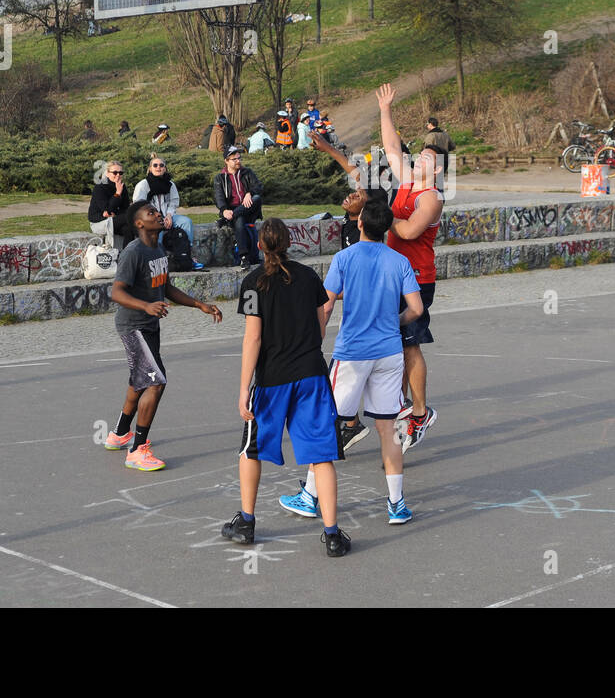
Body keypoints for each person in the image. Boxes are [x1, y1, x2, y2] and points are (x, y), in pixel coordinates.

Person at [279, 199, 424, 526]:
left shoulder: (343, 258)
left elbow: (326, 306)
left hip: (353, 353)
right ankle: (397, 504)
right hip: (389, 352)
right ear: (387, 229)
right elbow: (415, 309)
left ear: (359, 223)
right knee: (389, 429)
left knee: (326, 423)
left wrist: (313, 341)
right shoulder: (399, 261)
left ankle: (310, 496)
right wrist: (392, 321)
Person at [222, 219, 349, 556]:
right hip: (311, 374)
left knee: (251, 448)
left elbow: (253, 337)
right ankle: (333, 535)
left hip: (272, 378)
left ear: (260, 245)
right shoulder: (308, 276)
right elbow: (322, 322)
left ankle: (246, 522)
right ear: (290, 243)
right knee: (322, 455)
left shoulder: (253, 282)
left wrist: (242, 387)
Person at [102, 201, 222, 470]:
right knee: (156, 382)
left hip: (149, 325)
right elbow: (117, 292)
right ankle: (137, 450)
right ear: (139, 223)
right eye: (151, 213)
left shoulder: (158, 248)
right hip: (134, 325)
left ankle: (120, 433)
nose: (157, 214)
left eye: (157, 211)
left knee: (142, 379)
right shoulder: (133, 253)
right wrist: (146, 305)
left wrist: (199, 304)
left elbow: (165, 286)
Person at [377, 83, 443, 452]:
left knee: (410, 344)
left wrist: (379, 218)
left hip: (418, 280)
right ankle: (398, 405)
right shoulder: (408, 182)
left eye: (426, 160)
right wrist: (386, 109)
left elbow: (406, 229)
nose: (418, 160)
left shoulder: (430, 198)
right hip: (396, 275)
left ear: (437, 171)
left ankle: (420, 412)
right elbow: (390, 146)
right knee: (395, 344)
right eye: (418, 156)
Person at [131, 156, 201, 267]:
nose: (158, 167)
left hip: (167, 216)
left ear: (165, 168)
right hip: (151, 219)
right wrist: (157, 217)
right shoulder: (143, 185)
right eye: (155, 165)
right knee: (156, 230)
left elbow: (174, 202)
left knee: (186, 222)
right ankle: (155, 262)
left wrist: (168, 215)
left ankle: (187, 254)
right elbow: (139, 206)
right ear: (150, 168)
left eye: (161, 165)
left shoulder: (170, 184)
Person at [214, 146, 264, 267]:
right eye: (234, 159)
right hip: (231, 211)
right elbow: (218, 197)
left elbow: (258, 187)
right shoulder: (220, 178)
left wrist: (249, 193)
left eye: (239, 158)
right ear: (226, 161)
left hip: (249, 209)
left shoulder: (247, 172)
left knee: (257, 198)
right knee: (239, 220)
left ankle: (228, 218)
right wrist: (224, 210)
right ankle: (244, 257)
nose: (238, 161)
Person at [88, 160, 131, 247]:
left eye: (120, 173)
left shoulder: (122, 186)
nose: (118, 175)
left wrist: (114, 215)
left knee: (129, 229)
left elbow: (125, 208)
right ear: (107, 173)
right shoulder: (100, 187)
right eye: (115, 172)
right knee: (130, 217)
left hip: (116, 219)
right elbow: (107, 209)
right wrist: (117, 194)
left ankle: (125, 255)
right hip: (99, 222)